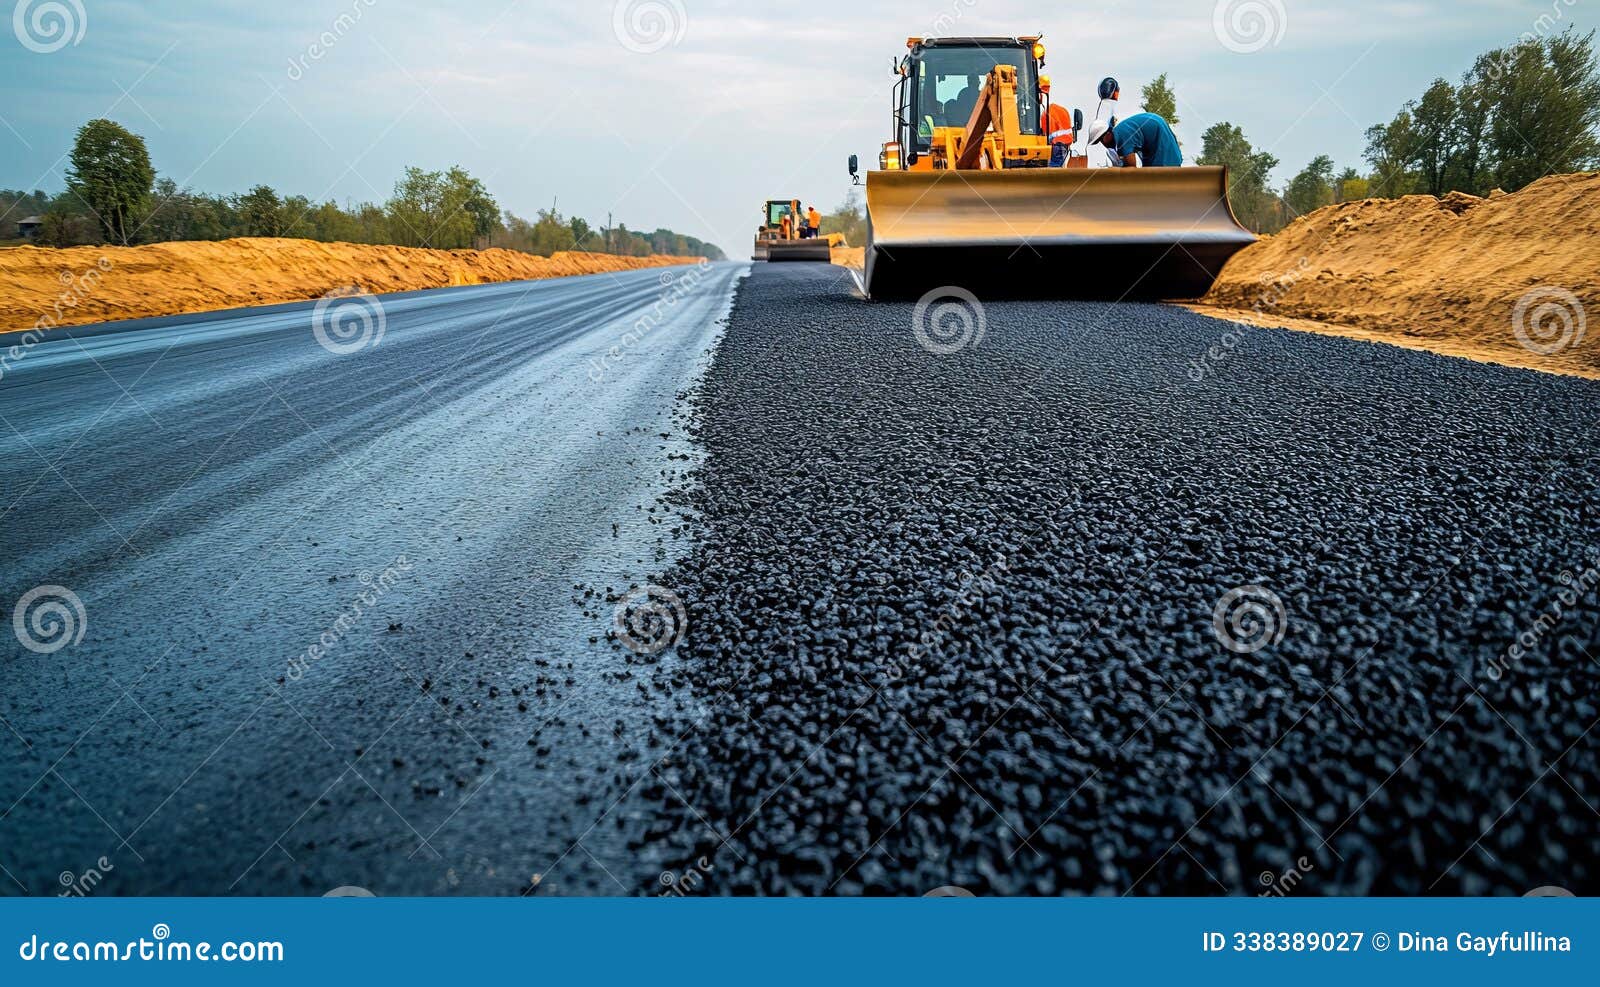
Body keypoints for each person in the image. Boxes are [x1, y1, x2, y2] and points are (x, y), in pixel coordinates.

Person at [1086, 113, 1182, 167]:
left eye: (1101, 140)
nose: (1103, 144)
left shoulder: (1121, 138)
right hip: (1157, 130)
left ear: (1107, 134)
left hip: (1160, 141)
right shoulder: (1120, 132)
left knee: (1157, 177)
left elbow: (1131, 167)